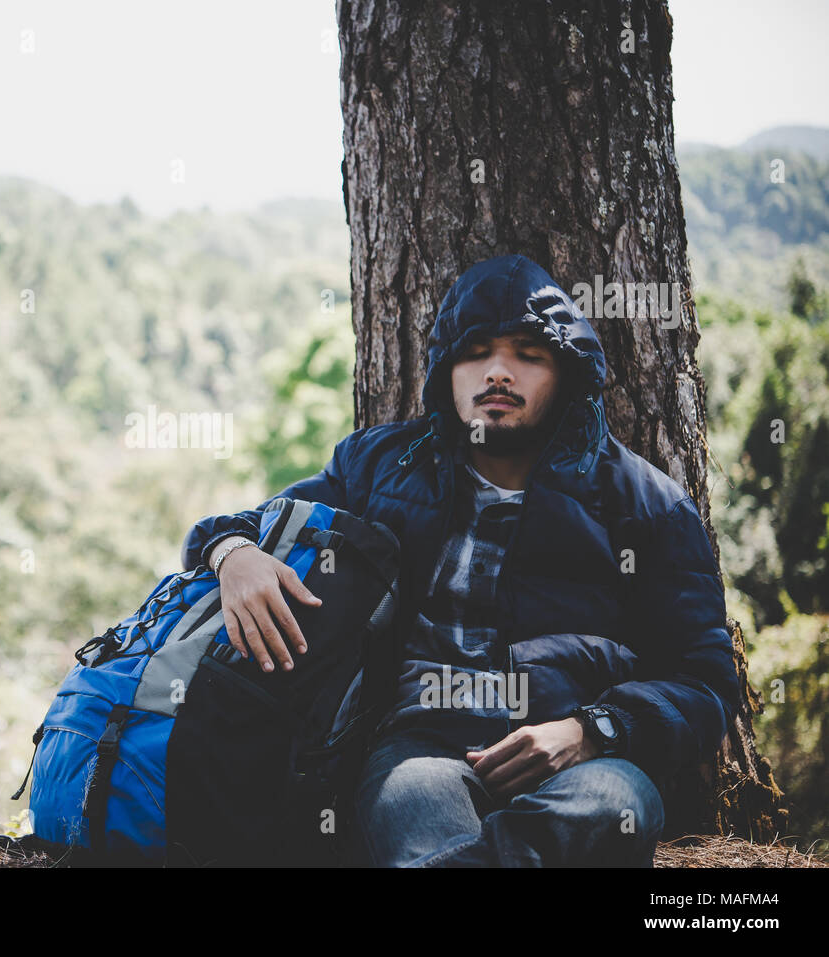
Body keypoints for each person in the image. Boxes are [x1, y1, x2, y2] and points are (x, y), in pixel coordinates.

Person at [181, 253, 740, 867]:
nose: (498, 372)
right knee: (410, 811)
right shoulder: (376, 469)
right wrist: (234, 554)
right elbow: (234, 527)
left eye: (529, 353)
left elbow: (703, 680)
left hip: (581, 758)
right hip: (419, 751)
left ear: (566, 374)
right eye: (476, 352)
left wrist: (591, 730)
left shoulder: (646, 505)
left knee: (612, 809)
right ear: (447, 370)